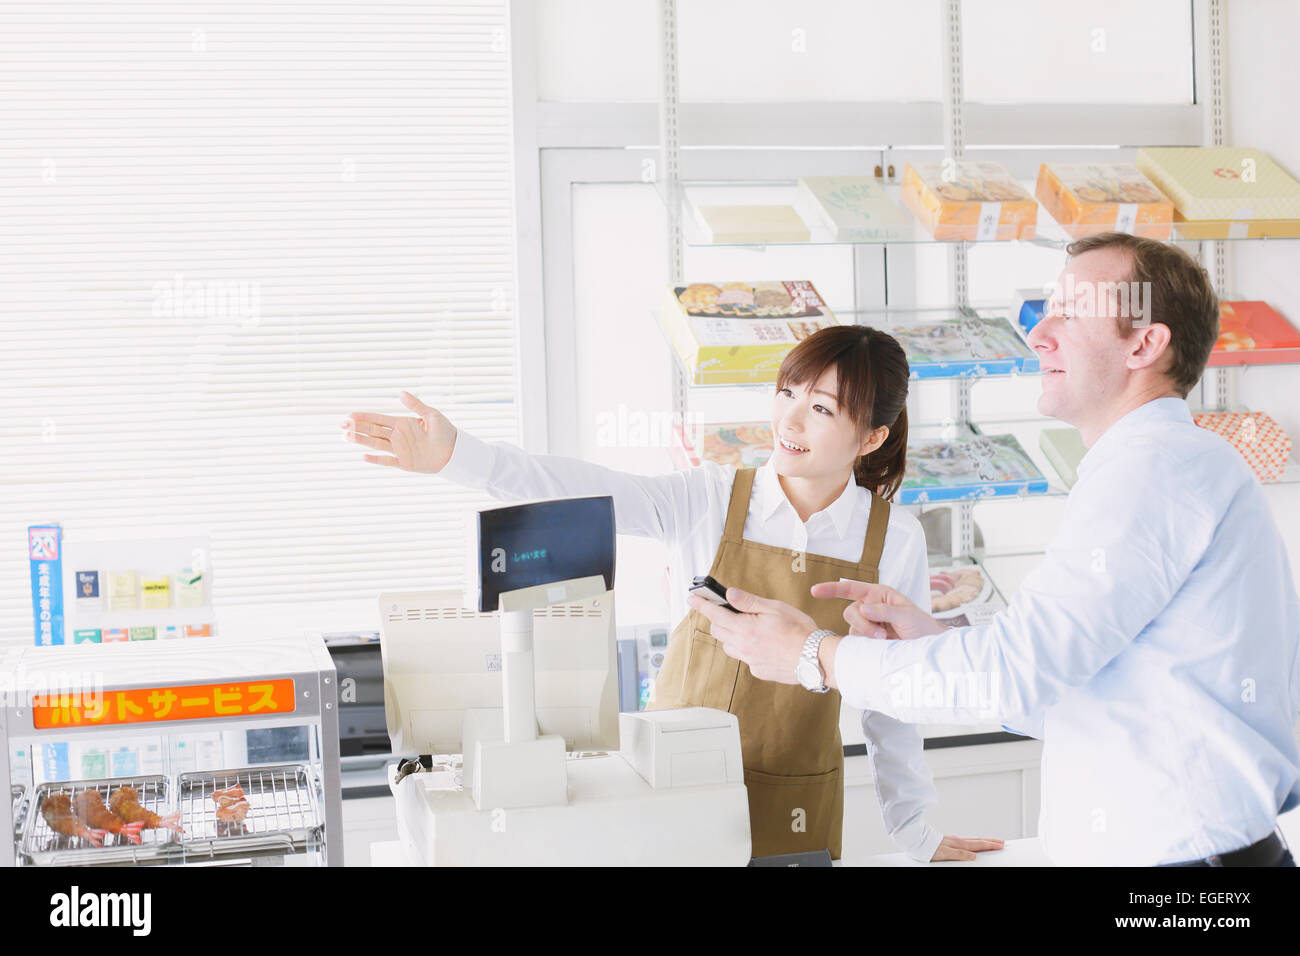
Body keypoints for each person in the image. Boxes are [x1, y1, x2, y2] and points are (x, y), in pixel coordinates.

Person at [686, 232, 1300, 866]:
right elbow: (1068, 689)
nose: (1038, 334)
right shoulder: (1159, 466)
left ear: (1145, 345)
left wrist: (812, 654)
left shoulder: (1155, 470)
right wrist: (928, 641)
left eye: (1069, 313)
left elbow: (1018, 669)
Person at [343, 324, 1002, 862]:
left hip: (796, 796)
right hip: (670, 791)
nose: (790, 419)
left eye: (822, 408)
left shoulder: (896, 538)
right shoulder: (710, 498)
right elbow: (584, 487)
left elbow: (895, 694)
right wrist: (460, 457)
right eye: (788, 392)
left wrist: (912, 829)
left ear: (873, 438)